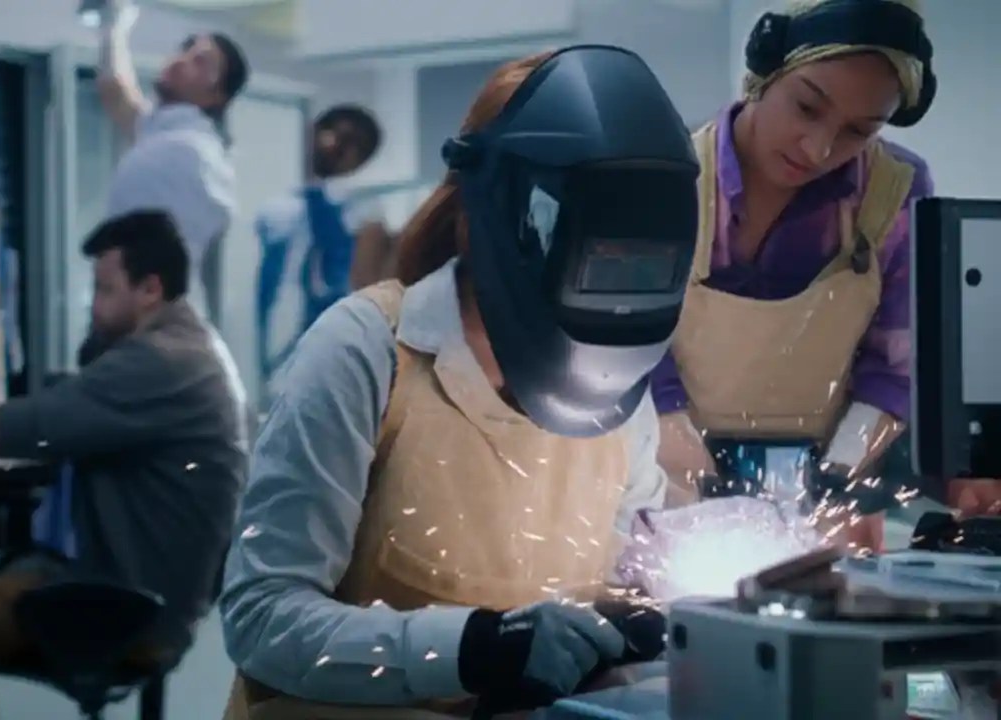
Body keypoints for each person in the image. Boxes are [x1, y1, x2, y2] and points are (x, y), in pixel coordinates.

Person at [221, 46, 700, 718]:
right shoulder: (367, 352)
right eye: (599, 259)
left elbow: (621, 596)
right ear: (509, 222)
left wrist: (652, 621)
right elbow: (261, 619)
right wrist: (476, 648)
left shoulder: (620, 400)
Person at [0, 211, 248, 720]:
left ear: (150, 289)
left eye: (104, 290)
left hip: (122, 604)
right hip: (146, 594)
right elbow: (48, 420)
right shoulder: (193, 349)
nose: (93, 306)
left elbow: (1, 431)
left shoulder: (159, 361)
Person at [645, 0, 990, 548]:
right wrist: (693, 475)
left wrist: (837, 482)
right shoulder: (669, 181)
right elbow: (636, 353)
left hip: (824, 490)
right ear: (766, 67)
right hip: (673, 477)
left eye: (859, 131)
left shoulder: (893, 194)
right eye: (807, 107)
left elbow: (895, 369)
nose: (819, 148)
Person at [97, 0, 248, 320]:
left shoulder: (197, 154)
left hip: (159, 321)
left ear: (217, 95)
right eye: (185, 51)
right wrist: (115, 25)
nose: (181, 61)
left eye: (200, 62)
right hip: (136, 313)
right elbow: (115, 89)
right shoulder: (163, 133)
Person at [256, 104, 390, 387]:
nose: (339, 148)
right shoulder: (277, 195)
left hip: (316, 325)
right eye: (336, 135)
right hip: (266, 310)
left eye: (356, 147)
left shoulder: (362, 209)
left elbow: (365, 283)